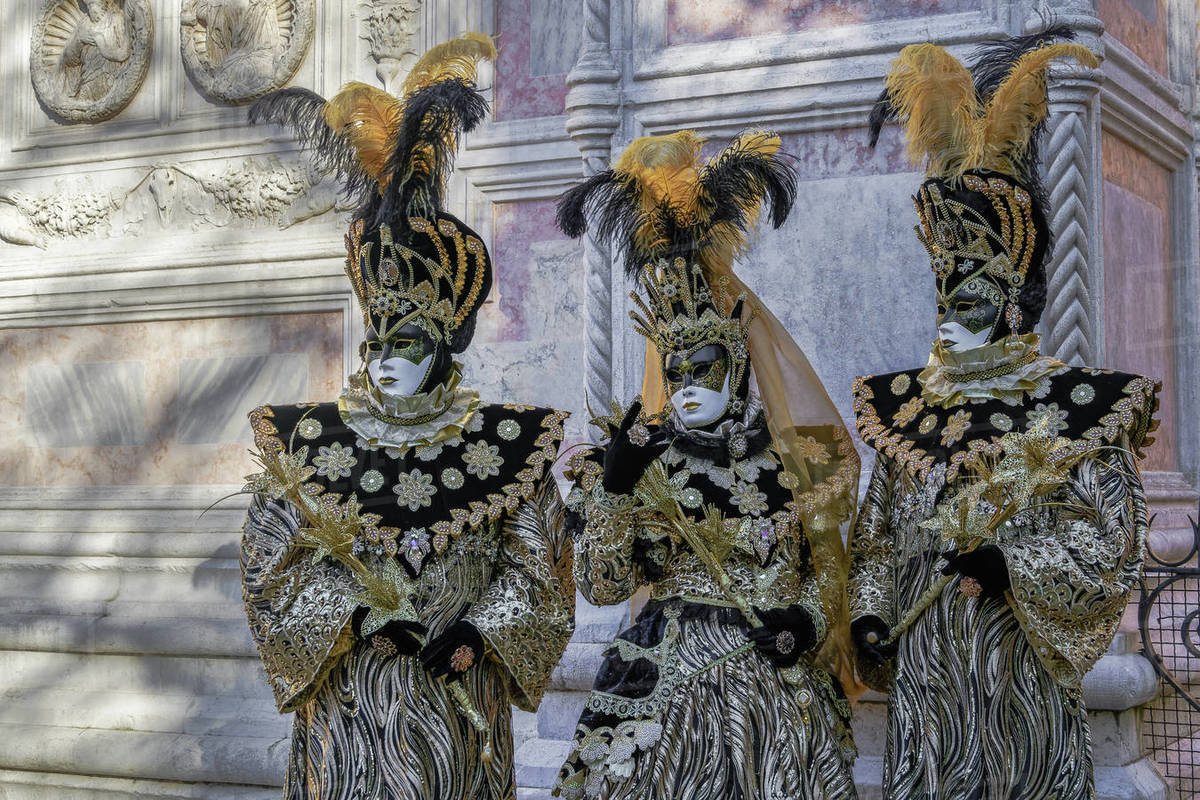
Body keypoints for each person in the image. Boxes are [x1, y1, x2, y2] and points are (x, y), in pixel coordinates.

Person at [239, 35, 575, 799]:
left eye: (411, 337)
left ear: (446, 344)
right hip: (350, 712)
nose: (389, 354)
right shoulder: (307, 446)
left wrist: (476, 633)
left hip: (455, 711)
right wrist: (356, 620)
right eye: (380, 334)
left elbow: (541, 574)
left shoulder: (506, 451)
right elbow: (269, 572)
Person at [849, 26, 1160, 799]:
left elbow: (1111, 542)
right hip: (928, 675)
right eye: (942, 296)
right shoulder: (907, 413)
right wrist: (867, 618)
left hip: (1024, 666)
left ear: (1015, 303)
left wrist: (1014, 564)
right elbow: (877, 532)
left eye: (972, 297)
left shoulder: (1078, 412)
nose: (948, 317)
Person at [551, 130, 861, 800]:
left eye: (705, 366)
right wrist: (612, 490)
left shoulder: (794, 464)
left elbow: (827, 570)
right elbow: (603, 588)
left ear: (739, 363)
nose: (687, 382)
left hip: (773, 685)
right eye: (676, 368)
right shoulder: (635, 465)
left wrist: (805, 619)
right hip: (664, 681)